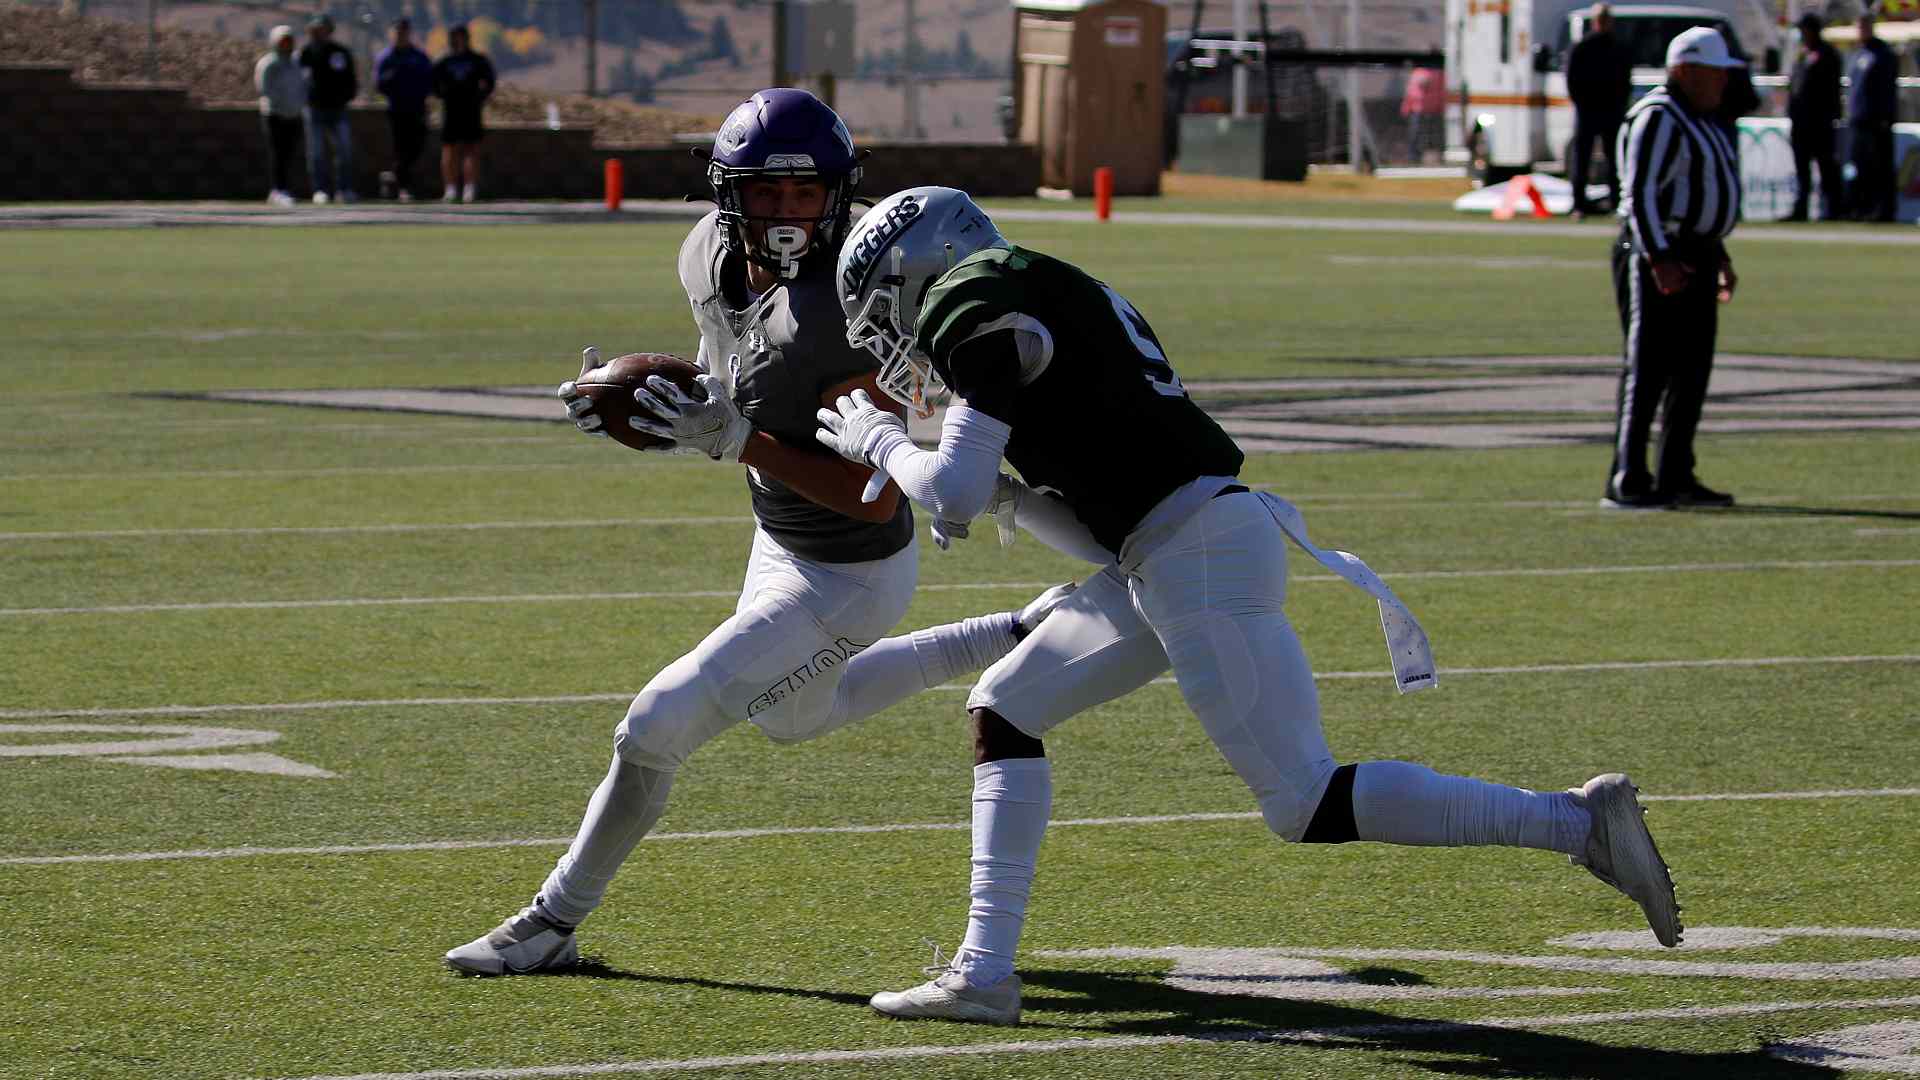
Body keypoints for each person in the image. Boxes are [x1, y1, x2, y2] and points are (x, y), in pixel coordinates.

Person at [815, 185, 1684, 1026]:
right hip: (1171, 548)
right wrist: (1011, 497)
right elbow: (1093, 524)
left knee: (1303, 801)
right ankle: (984, 974)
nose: (896, 346)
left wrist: (883, 443)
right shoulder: (1035, 283)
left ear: (917, 271)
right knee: (1006, 705)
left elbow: (954, 489)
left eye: (886, 316)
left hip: (1195, 555)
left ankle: (1574, 822)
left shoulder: (974, 295)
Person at [442, 90, 1074, 977]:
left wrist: (735, 440)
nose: (786, 215)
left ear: (840, 195)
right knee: (791, 717)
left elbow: (869, 492)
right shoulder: (706, 252)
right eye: (768, 195)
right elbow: (725, 367)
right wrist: (654, 407)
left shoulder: (850, 305)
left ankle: (551, 920)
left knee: (653, 726)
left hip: (850, 566)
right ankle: (1011, 629)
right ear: (727, 192)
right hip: (776, 534)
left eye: (806, 195)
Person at [1605, 26, 1744, 511]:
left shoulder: (1703, 118)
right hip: (1657, 252)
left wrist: (1718, 252)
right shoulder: (1658, 117)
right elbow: (1639, 193)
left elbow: (1705, 195)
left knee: (1692, 369)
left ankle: (1676, 474)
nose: (1722, 83)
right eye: (1714, 73)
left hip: (1697, 251)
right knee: (1648, 367)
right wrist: (1660, 258)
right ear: (1685, 70)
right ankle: (1628, 477)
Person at [1565, 4, 1632, 216]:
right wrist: (1582, 103)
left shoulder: (1618, 48)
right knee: (1582, 158)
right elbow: (1572, 80)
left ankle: (1615, 202)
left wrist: (1620, 103)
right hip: (1588, 110)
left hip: (1611, 110)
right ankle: (1578, 204)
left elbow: (1625, 80)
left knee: (1615, 159)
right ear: (1595, 22)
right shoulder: (1582, 47)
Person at [1787, 11, 1844, 222]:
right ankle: (1800, 208)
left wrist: (1831, 115)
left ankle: (1835, 209)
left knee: (1826, 167)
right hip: (1800, 122)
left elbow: (1830, 89)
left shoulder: (1827, 54)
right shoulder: (1802, 54)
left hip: (1819, 122)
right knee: (1802, 169)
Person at [297, 13, 357, 204]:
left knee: (344, 151)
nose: (318, 33)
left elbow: (350, 80)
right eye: (315, 29)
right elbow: (299, 81)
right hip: (314, 109)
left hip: (338, 109)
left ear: (329, 30)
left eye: (322, 29)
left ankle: (344, 189)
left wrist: (345, 97)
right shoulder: (305, 53)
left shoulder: (340, 52)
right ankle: (320, 190)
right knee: (316, 153)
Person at [1846, 9, 1900, 222]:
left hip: (1877, 120)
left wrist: (1886, 117)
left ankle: (1883, 210)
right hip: (1858, 120)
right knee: (1861, 167)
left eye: (1864, 26)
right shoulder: (1858, 53)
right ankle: (1862, 208)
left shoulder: (1883, 54)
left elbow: (1886, 89)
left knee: (1880, 167)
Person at [432, 25, 495, 204]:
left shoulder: (477, 60)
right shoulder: (444, 61)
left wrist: (479, 97)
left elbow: (489, 81)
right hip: (451, 110)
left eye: (461, 36)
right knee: (449, 150)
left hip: (471, 110)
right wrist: (443, 95)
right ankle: (450, 188)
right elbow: (434, 82)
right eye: (455, 36)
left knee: (472, 149)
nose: (458, 40)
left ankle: (470, 187)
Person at [374, 17, 434, 202]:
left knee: (417, 145)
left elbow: (430, 80)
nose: (401, 35)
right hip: (397, 109)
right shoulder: (386, 58)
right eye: (398, 32)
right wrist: (396, 77)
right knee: (401, 148)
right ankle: (403, 187)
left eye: (404, 32)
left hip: (417, 108)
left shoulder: (419, 56)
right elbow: (379, 84)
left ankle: (396, 177)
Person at [253, 24, 304, 208]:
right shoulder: (269, 64)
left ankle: (286, 189)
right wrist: (283, 106)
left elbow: (302, 86)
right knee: (278, 154)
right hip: (275, 115)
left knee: (290, 154)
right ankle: (277, 190)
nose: (286, 44)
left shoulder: (297, 63)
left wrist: (297, 105)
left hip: (294, 114)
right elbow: (265, 89)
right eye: (283, 41)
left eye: (289, 41)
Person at [1400, 66, 1446, 163]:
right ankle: (1413, 157)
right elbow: (1410, 92)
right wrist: (1406, 107)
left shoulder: (1439, 72)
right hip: (1417, 110)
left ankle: (1437, 157)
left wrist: (1441, 107)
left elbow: (1441, 92)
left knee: (1434, 136)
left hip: (1434, 110)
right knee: (1415, 134)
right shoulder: (1417, 72)